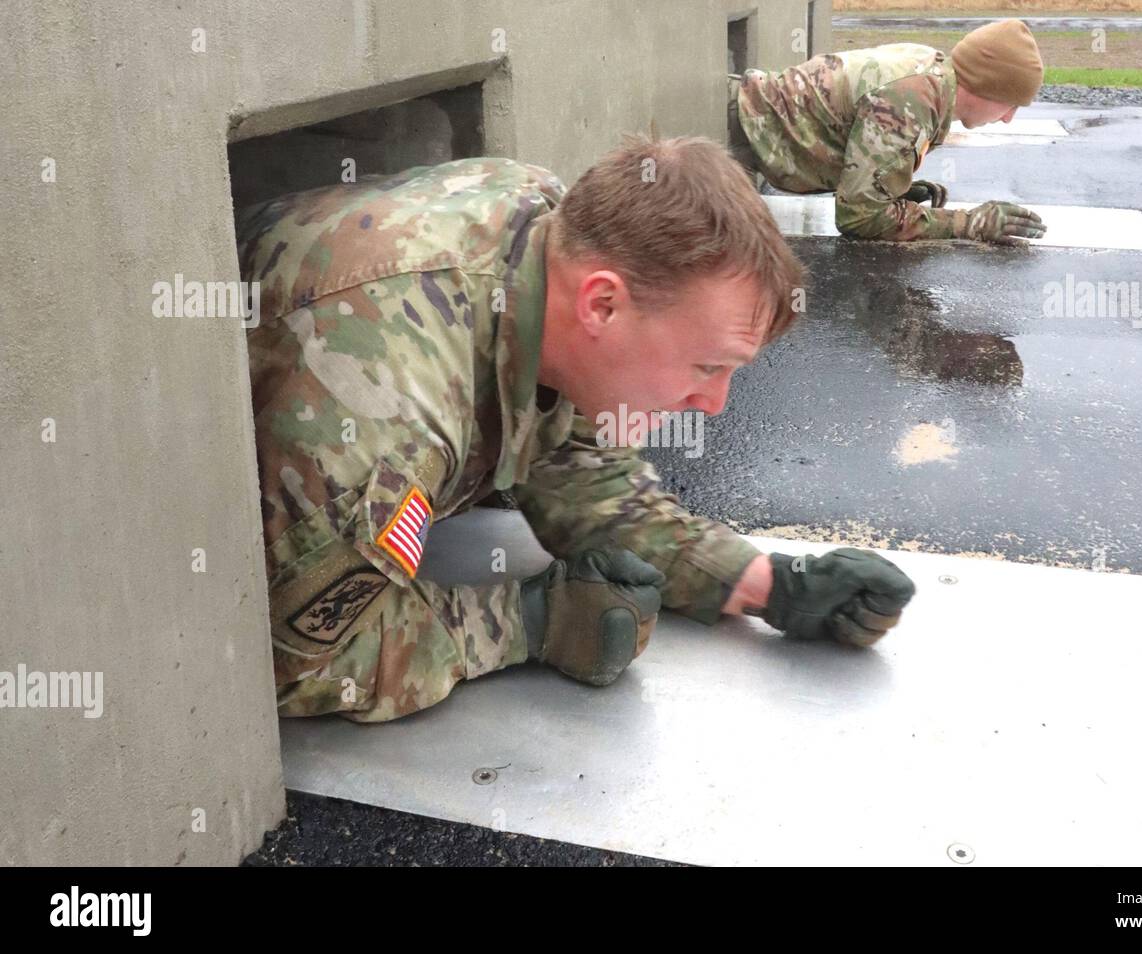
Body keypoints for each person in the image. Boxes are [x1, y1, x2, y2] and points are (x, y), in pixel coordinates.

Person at [236, 136, 917, 722]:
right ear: (603, 305)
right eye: (707, 365)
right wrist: (530, 622)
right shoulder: (392, 403)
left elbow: (580, 470)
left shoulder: (554, 237)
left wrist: (767, 584)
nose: (714, 404)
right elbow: (298, 660)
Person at [729, 19, 1048, 244]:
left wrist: (893, 185)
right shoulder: (910, 101)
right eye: (1012, 104)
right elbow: (860, 217)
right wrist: (969, 223)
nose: (1008, 119)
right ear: (987, 86)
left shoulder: (928, 70)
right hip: (730, 140)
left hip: (741, 127)